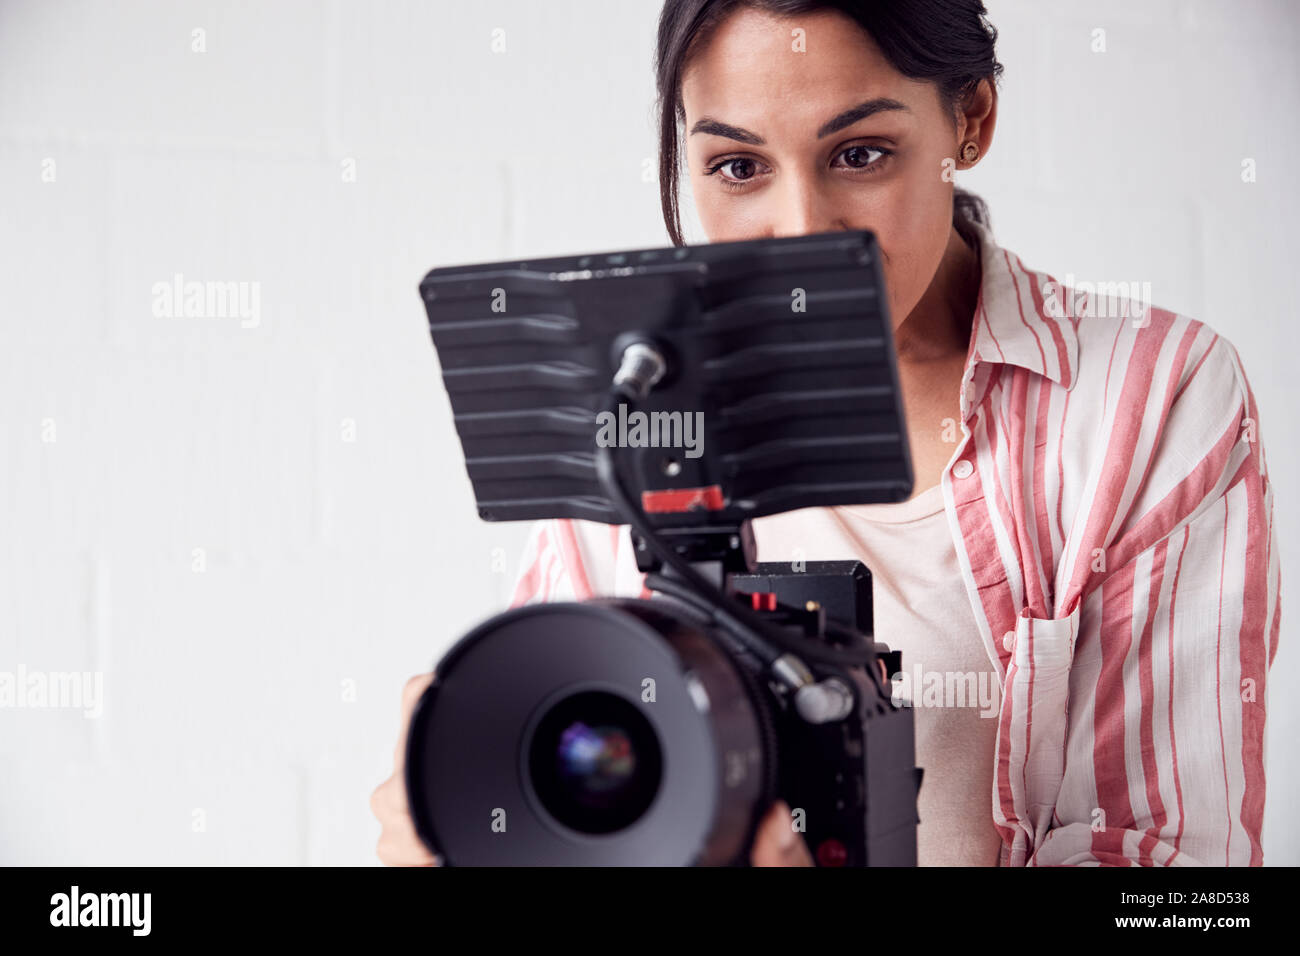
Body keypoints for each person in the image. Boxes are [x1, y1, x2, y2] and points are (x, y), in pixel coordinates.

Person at [372, 0, 1279, 867]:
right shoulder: (626, 403)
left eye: (862, 153)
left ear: (973, 120)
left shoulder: (1151, 399)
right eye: (737, 167)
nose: (801, 233)